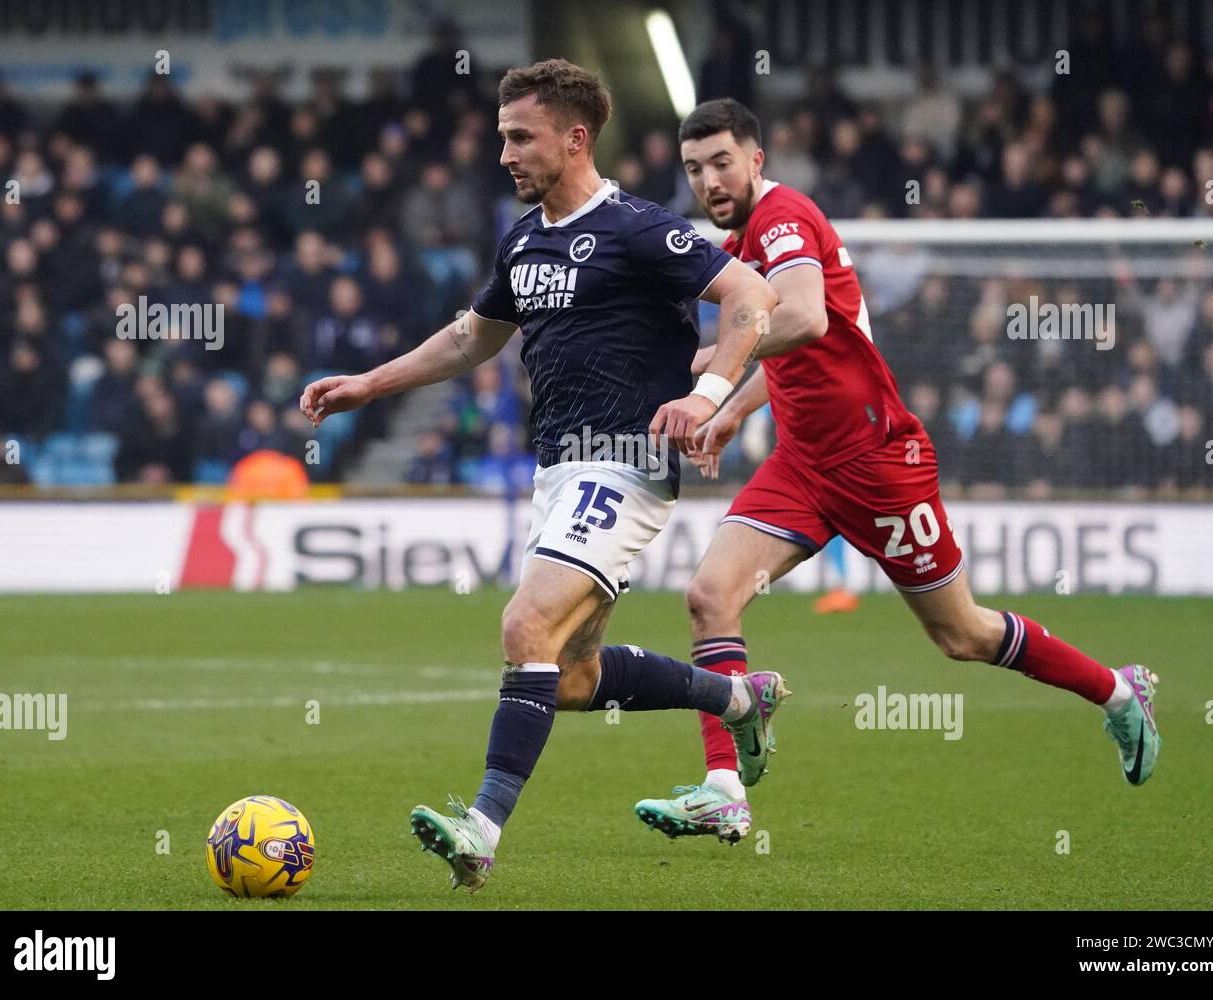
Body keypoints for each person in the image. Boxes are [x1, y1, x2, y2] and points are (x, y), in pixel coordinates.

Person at [300, 63, 782, 891]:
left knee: (526, 628)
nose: (505, 154)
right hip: (558, 470)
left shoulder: (636, 228)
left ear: (575, 138)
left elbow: (751, 294)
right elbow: (470, 339)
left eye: (520, 137)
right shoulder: (524, 239)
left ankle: (480, 830)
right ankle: (741, 700)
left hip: (626, 463)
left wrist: (706, 397)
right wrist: (368, 384)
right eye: (501, 138)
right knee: (571, 677)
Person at [633, 99, 1161, 843]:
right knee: (709, 596)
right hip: (803, 464)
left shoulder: (784, 216)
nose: (710, 178)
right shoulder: (739, 243)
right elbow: (789, 349)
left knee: (963, 636)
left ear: (756, 160)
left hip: (878, 464)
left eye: (723, 161)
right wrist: (735, 410)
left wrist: (708, 382)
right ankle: (725, 787)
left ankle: (1117, 691)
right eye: (695, 168)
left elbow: (807, 318)